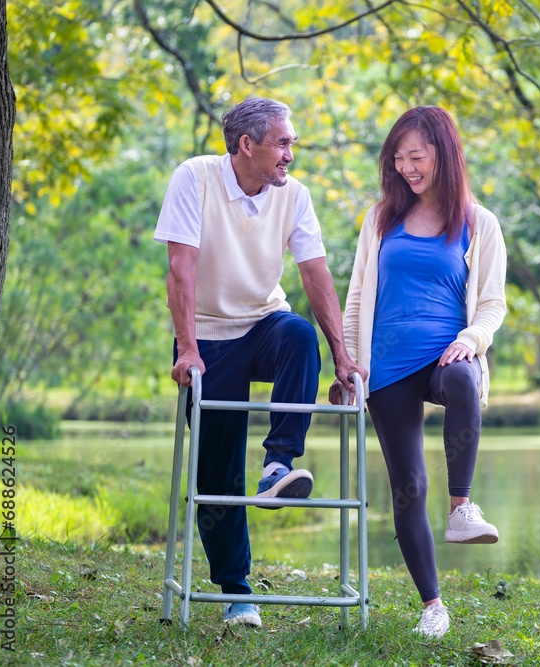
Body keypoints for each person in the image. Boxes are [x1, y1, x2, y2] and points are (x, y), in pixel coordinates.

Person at [154, 97, 363, 629]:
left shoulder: (294, 196)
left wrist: (342, 356)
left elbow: (316, 275)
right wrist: (186, 349)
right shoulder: (194, 178)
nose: (291, 154)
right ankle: (237, 592)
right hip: (206, 338)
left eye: (292, 142)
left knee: (297, 334)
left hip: (263, 324)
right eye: (283, 143)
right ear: (247, 145)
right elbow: (181, 268)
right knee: (216, 472)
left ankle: (278, 466)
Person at [330, 106, 507, 639]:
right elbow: (358, 294)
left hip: (445, 355)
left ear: (444, 155)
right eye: (398, 158)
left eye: (417, 156)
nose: (407, 167)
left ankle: (462, 508)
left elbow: (493, 304)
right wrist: (349, 363)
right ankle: (432, 605)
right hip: (387, 365)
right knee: (406, 485)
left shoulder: (479, 222)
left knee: (462, 377)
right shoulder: (381, 218)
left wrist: (469, 341)